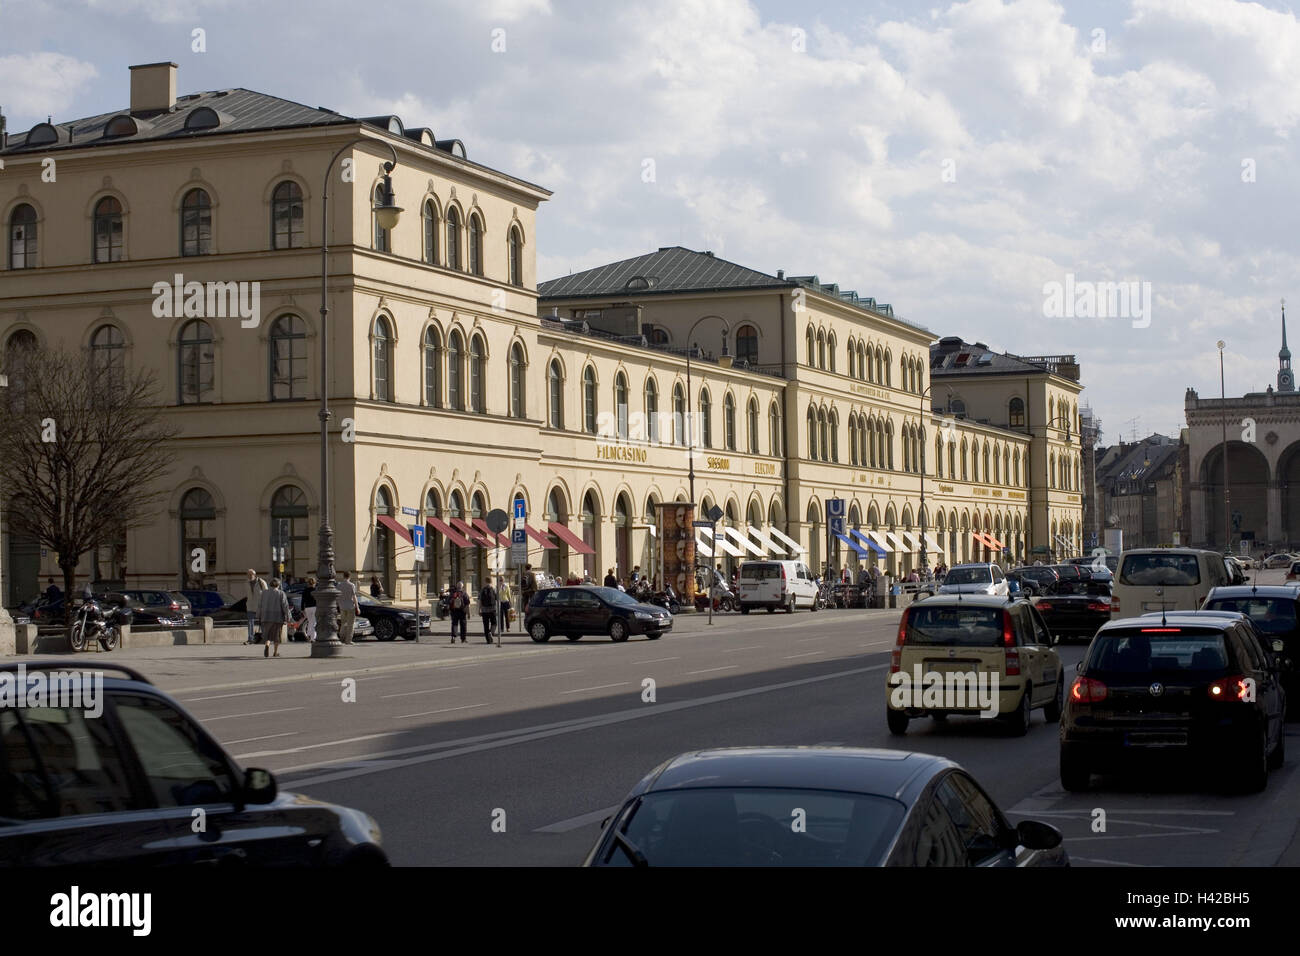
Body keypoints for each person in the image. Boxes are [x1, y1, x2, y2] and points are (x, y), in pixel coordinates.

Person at [257, 578, 291, 658]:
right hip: (277, 617)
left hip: (265, 617)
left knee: (268, 634)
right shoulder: (281, 593)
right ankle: (275, 652)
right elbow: (285, 606)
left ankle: (267, 645)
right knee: (276, 636)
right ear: (278, 585)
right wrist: (288, 616)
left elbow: (260, 605)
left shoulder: (264, 593)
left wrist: (258, 615)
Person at [246, 568, 268, 645]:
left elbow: (266, 594)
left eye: (250, 574)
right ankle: (250, 639)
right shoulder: (247, 583)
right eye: (248, 574)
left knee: (262, 623)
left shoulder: (261, 582)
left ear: (254, 575)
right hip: (250, 606)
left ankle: (264, 638)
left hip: (260, 606)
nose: (248, 576)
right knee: (250, 623)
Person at [338, 570, 360, 644]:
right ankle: (348, 640)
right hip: (350, 606)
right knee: (350, 624)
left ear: (343, 576)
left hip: (342, 607)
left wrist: (338, 604)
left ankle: (341, 638)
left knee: (343, 623)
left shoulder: (339, 585)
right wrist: (357, 607)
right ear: (349, 576)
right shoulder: (351, 585)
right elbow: (354, 597)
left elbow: (337, 597)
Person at [302, 576, 317, 642]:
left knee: (310, 621)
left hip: (307, 608)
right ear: (314, 583)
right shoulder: (316, 590)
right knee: (313, 623)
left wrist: (302, 609)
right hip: (315, 607)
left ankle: (309, 634)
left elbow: (303, 600)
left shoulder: (305, 590)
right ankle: (312, 638)